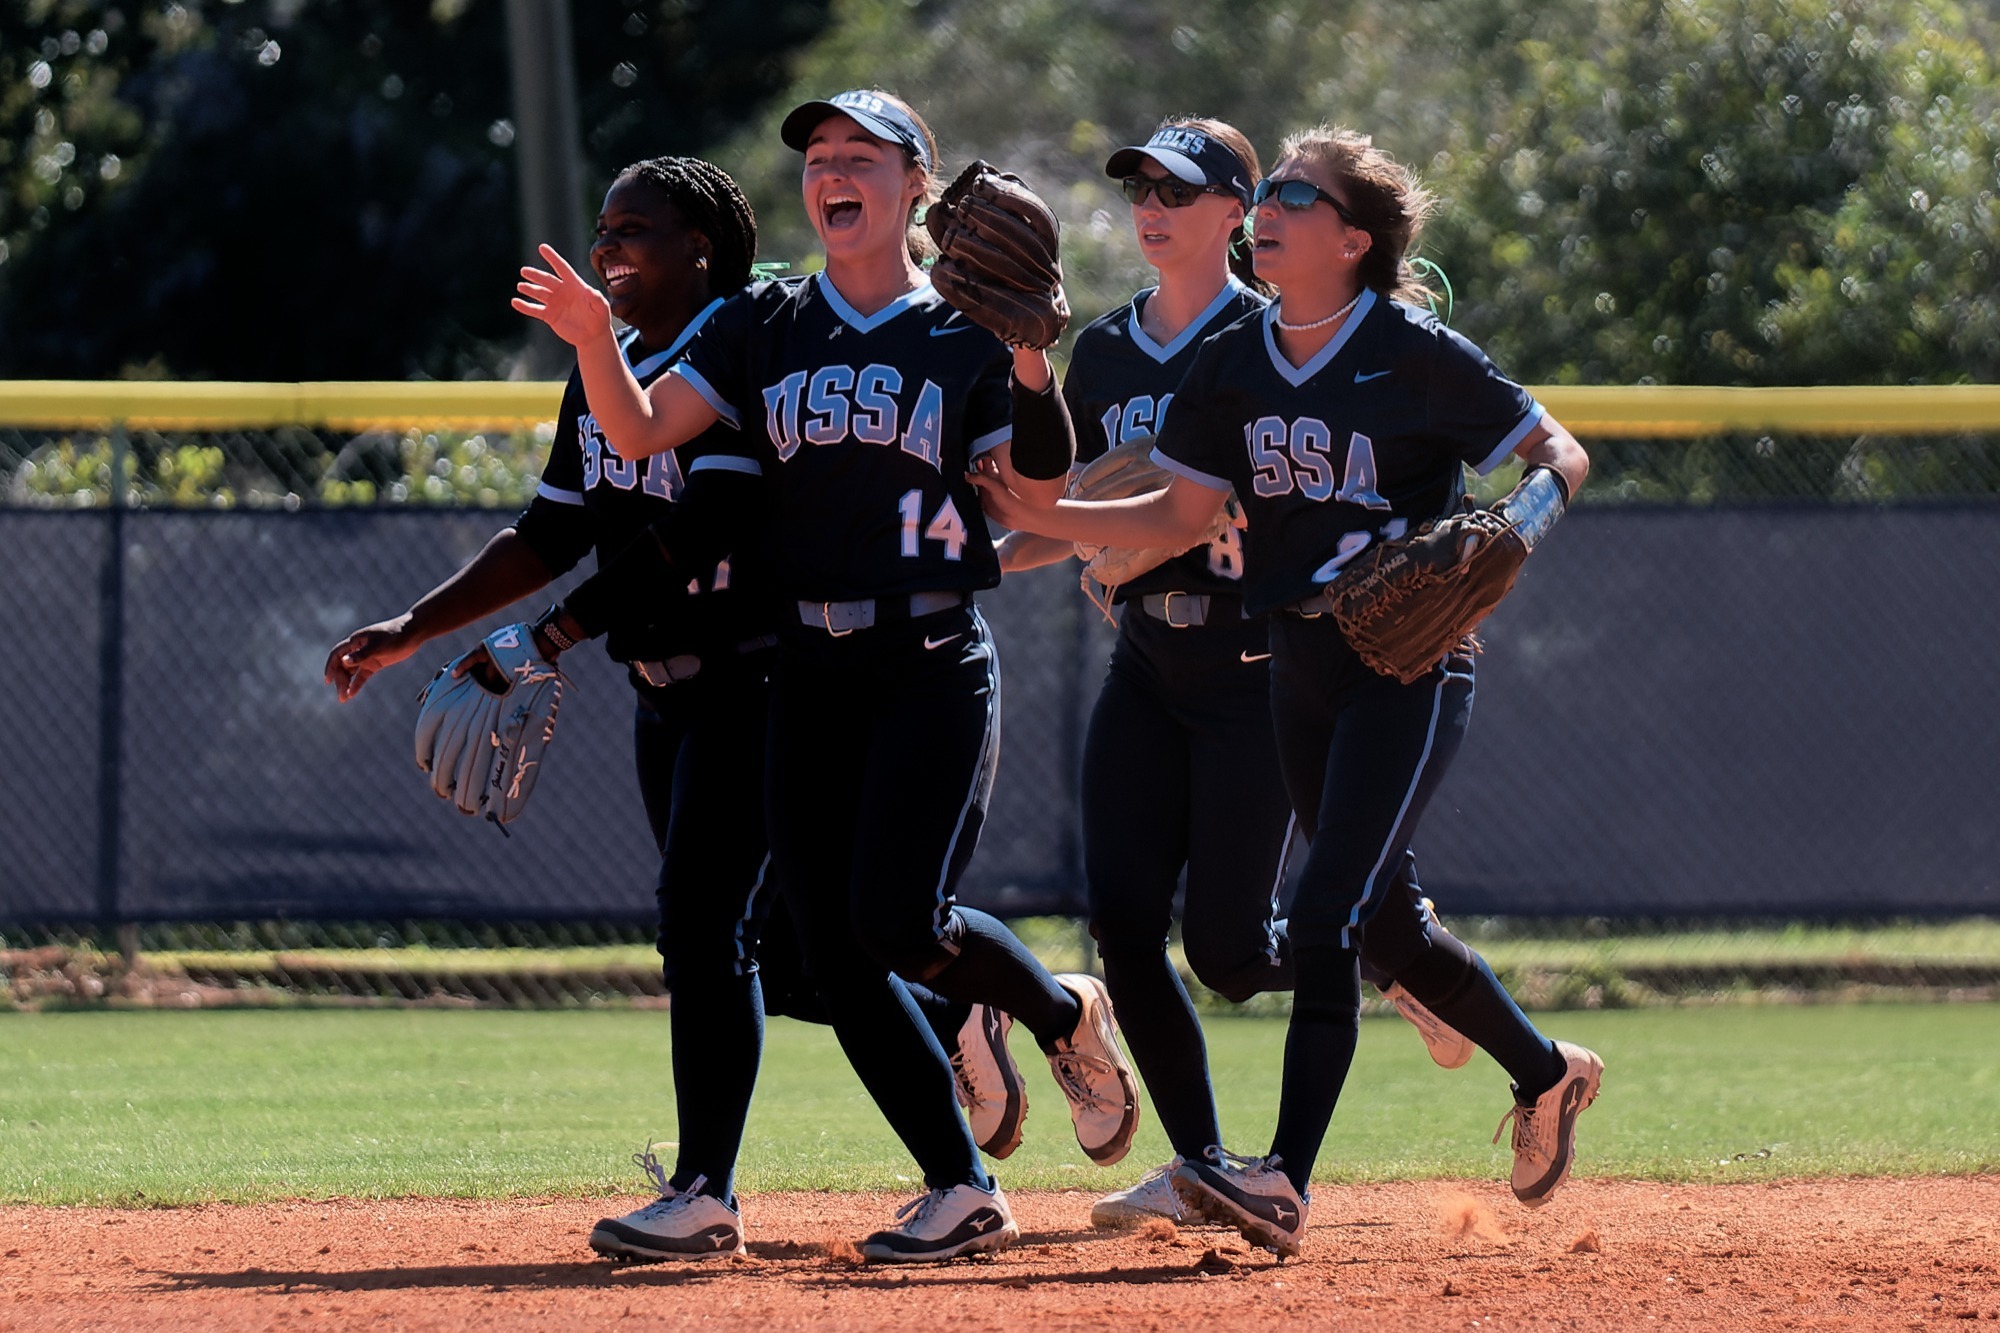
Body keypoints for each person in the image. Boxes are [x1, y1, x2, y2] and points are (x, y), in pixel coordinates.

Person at [324, 155, 1007, 1263]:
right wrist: (416, 625)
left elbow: (701, 529)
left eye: (633, 231)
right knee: (785, 961)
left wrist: (547, 634)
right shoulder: (613, 367)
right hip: (660, 693)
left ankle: (708, 1191)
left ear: (703, 247)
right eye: (603, 232)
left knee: (706, 928)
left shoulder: (737, 347)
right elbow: (552, 529)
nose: (608, 251)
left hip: (757, 678)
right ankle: (954, 1025)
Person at [510, 90, 1140, 1263]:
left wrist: (1031, 362)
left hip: (927, 659)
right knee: (827, 945)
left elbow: (1043, 495)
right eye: (816, 157)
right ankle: (941, 1188)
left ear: (915, 185)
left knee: (894, 922)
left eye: (860, 156)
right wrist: (597, 341)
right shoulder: (765, 321)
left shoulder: (961, 331)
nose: (830, 172)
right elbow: (641, 431)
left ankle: (1058, 1012)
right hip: (805, 666)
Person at [974, 125, 1603, 1257]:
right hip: (1282, 660)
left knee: (1317, 919)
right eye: (1264, 192)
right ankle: (1535, 1071)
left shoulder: (1410, 349)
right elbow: (1167, 514)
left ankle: (1279, 1181)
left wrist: (1523, 519)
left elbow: (1555, 450)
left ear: (1353, 238)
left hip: (1397, 661)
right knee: (1356, 922)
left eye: (1291, 197)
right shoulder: (1231, 359)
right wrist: (1042, 518)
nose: (1266, 209)